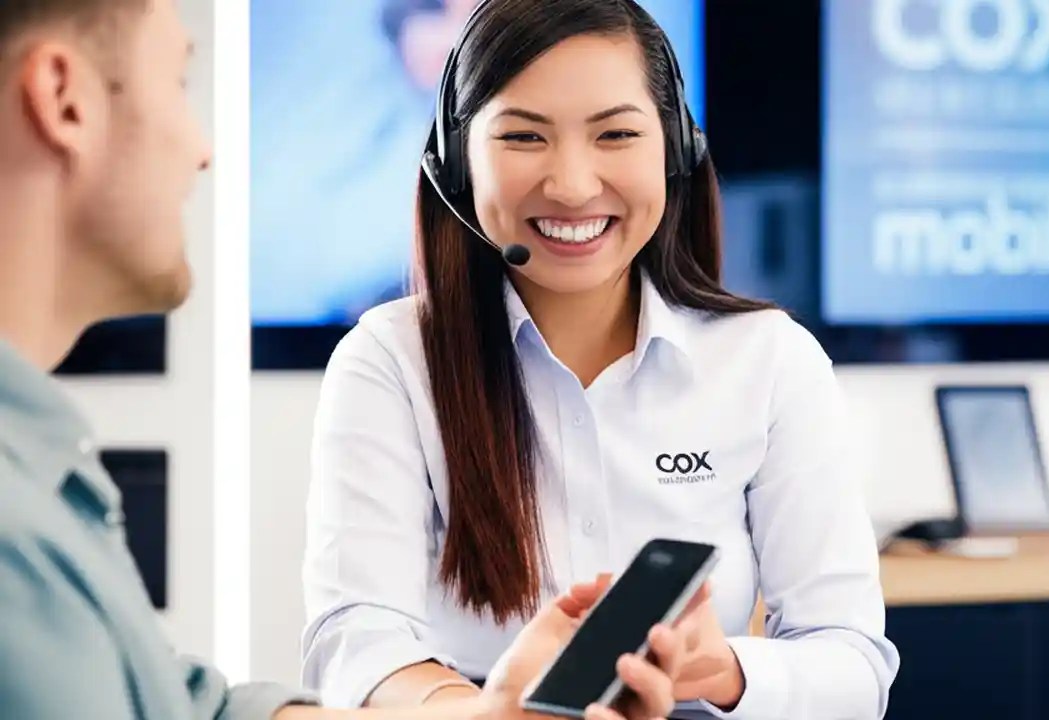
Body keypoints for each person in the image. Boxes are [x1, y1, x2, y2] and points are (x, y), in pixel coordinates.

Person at [0, 1, 691, 719]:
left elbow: (187, 708)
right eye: (177, 83)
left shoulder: (44, 477)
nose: (202, 147)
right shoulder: (16, 528)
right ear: (65, 100)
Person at [301, 0, 901, 717]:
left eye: (615, 133)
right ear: (458, 161)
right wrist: (492, 714)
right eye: (524, 137)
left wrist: (722, 670)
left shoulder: (771, 362)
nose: (574, 185)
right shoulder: (390, 361)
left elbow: (852, 663)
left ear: (674, 149)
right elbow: (356, 640)